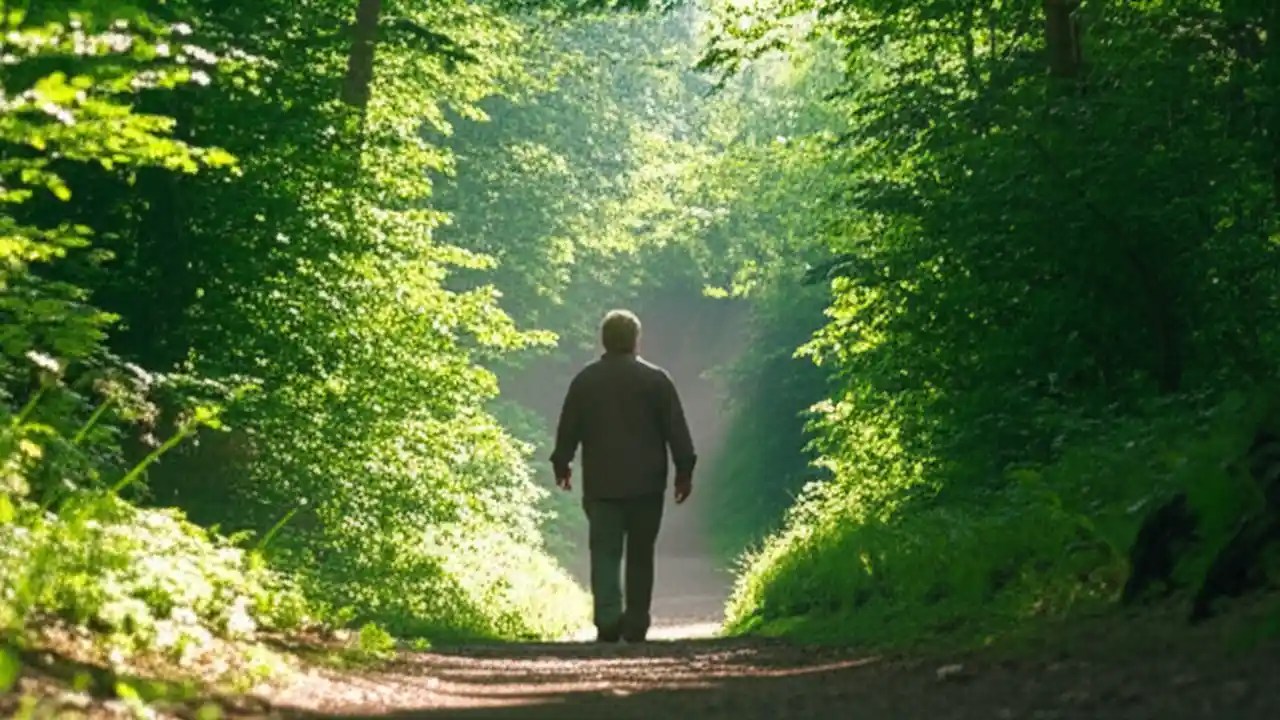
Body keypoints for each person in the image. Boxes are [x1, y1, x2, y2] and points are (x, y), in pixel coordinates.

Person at [550, 309, 697, 643]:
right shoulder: (657, 380)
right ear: (636, 340)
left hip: (602, 485)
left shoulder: (586, 381)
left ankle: (607, 619)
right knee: (641, 555)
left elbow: (568, 427)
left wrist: (563, 463)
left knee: (605, 553)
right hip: (647, 485)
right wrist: (683, 471)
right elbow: (676, 430)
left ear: (603, 340)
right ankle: (636, 621)